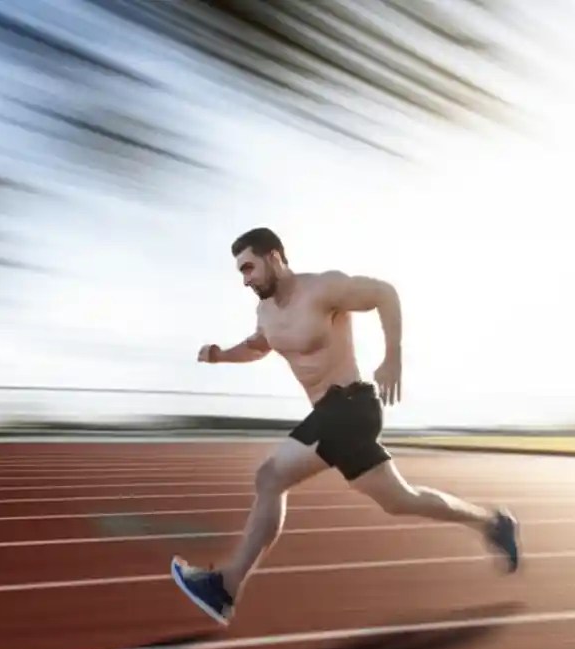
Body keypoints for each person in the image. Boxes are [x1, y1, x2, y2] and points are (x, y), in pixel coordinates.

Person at [170, 227, 520, 626]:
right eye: (240, 272)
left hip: (351, 405)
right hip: (333, 416)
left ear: (275, 257)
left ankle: (226, 588)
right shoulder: (265, 313)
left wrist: (393, 358)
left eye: (249, 267)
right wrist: (218, 356)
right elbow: (258, 346)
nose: (245, 279)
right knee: (400, 499)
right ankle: (493, 523)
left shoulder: (323, 289)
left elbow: (384, 293)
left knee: (270, 477)